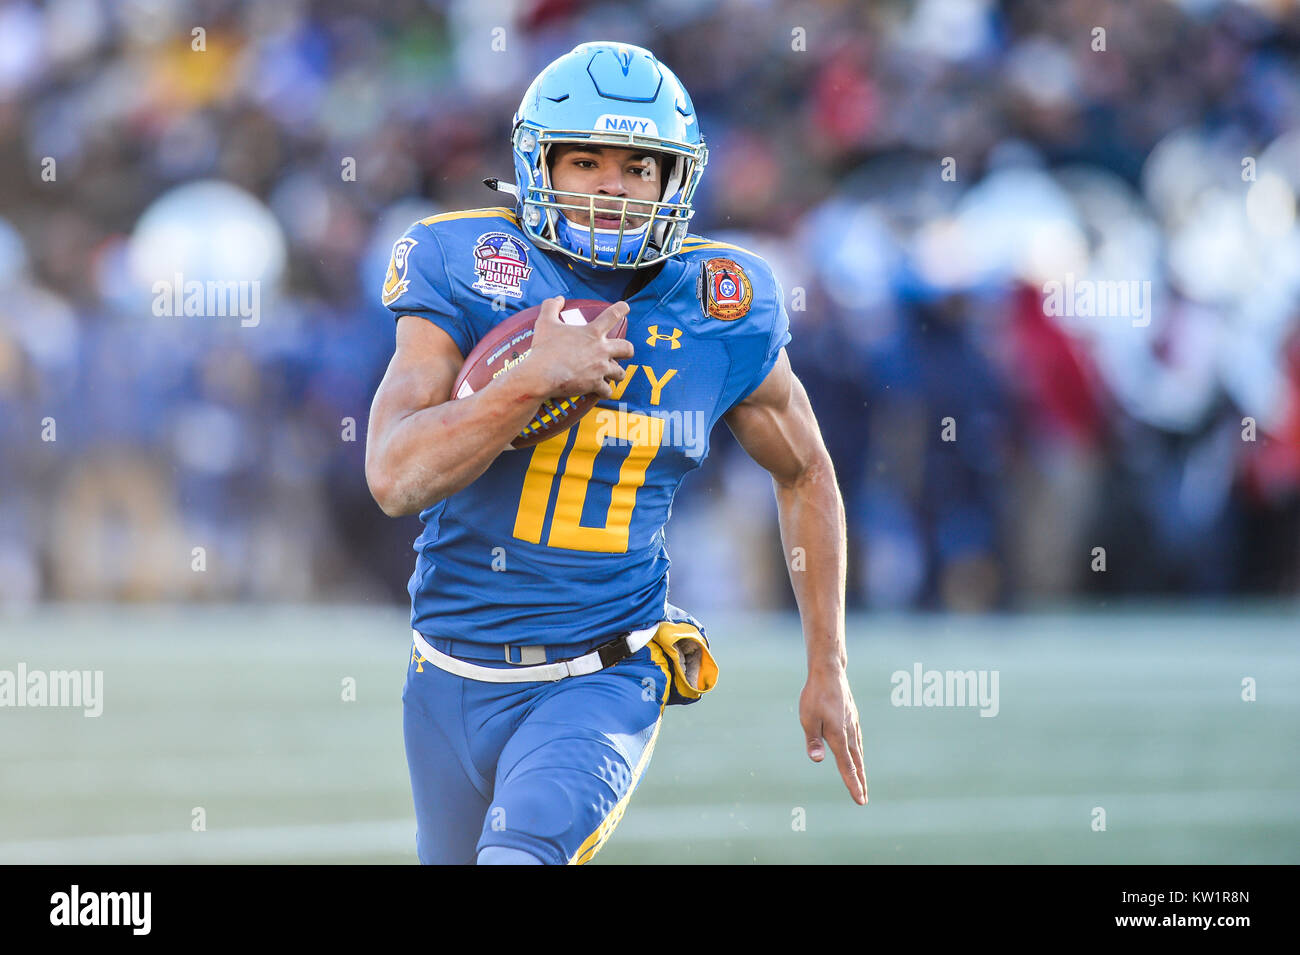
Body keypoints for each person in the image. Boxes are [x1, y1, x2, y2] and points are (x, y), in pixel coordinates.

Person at [366, 41, 865, 865]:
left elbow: (805, 469)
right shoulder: (469, 265)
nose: (611, 187)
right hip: (446, 671)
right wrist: (528, 384)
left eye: (639, 167)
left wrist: (829, 665)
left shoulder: (722, 304)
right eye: (587, 161)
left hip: (603, 672)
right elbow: (393, 475)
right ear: (539, 167)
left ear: (676, 181)